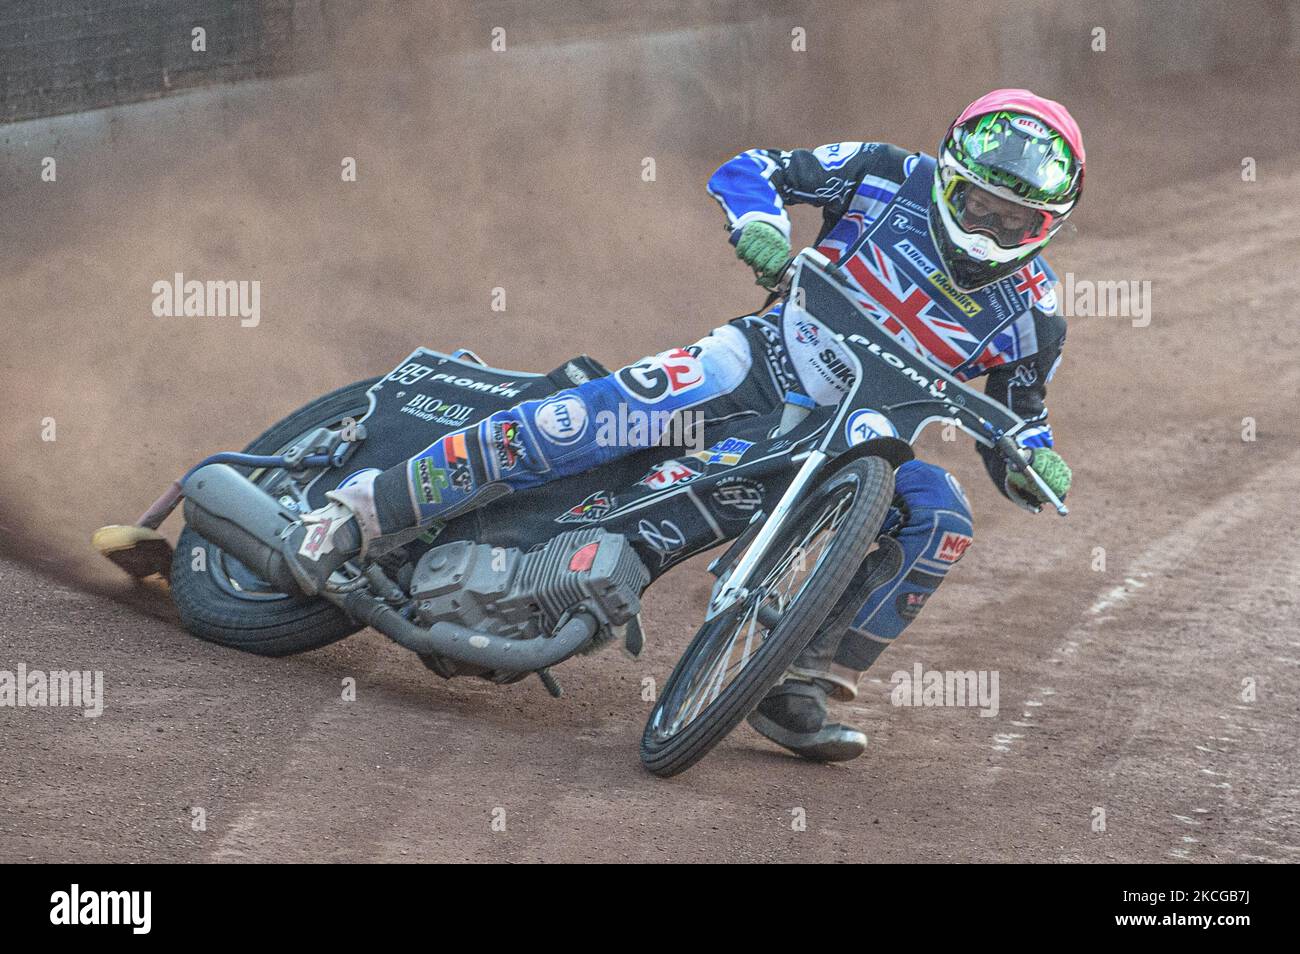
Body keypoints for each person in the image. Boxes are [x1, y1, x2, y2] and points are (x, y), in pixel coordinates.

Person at [281, 88, 1083, 762]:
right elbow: (754, 169)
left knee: (941, 516)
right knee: (578, 425)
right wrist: (761, 224)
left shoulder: (1035, 313)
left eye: (1015, 219)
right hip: (760, 361)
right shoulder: (884, 173)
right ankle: (352, 515)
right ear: (951, 175)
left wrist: (1034, 463)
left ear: (1047, 224)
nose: (992, 225)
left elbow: (1018, 420)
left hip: (854, 446)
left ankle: (799, 678)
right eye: (981, 202)